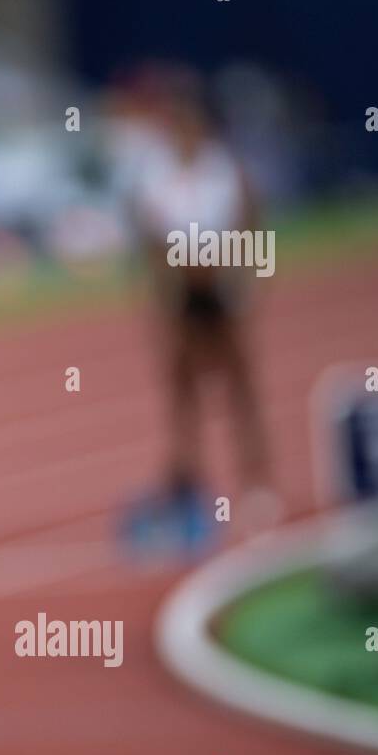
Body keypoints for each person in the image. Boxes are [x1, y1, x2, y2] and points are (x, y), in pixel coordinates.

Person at [121, 65, 281, 554]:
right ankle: (188, 492)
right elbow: (149, 237)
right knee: (182, 394)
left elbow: (251, 228)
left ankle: (257, 483)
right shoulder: (155, 175)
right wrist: (162, 290)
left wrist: (248, 279)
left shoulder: (225, 171)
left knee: (239, 387)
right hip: (181, 294)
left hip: (222, 289)